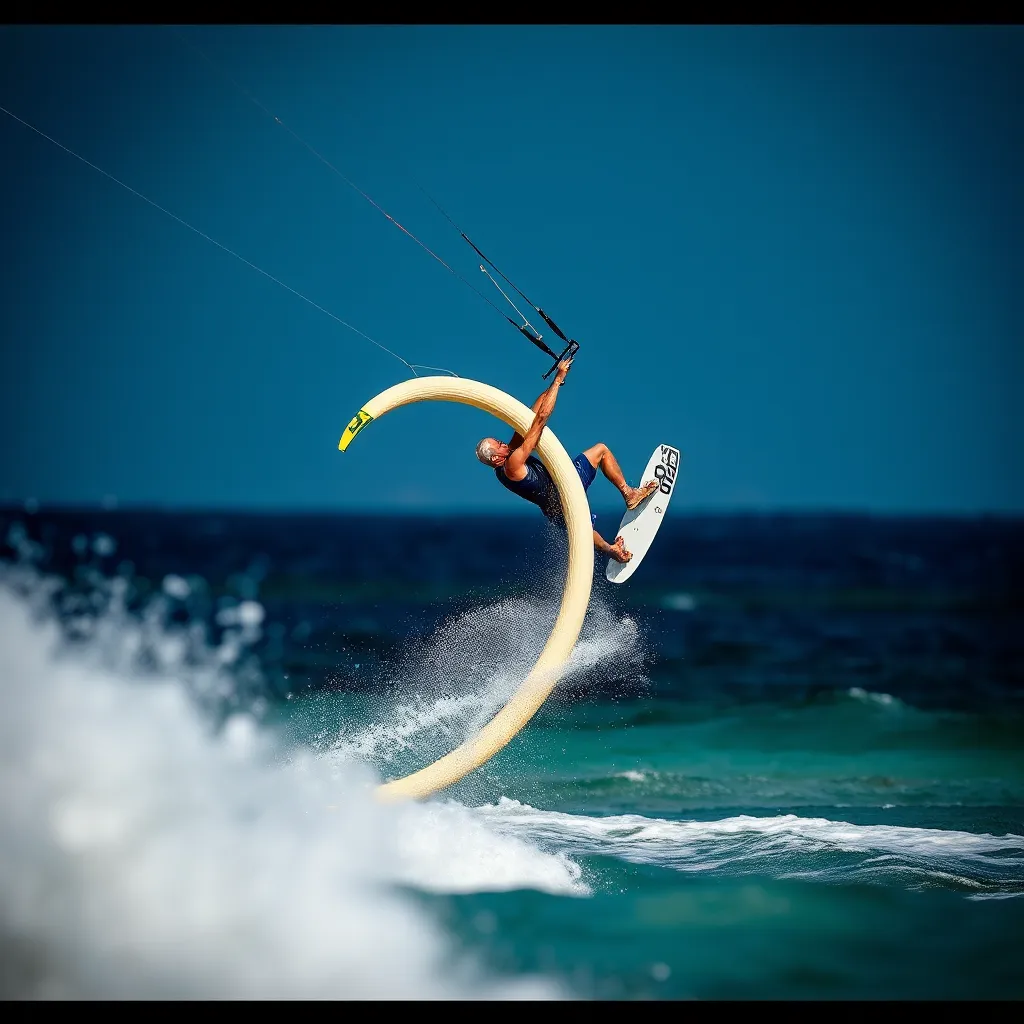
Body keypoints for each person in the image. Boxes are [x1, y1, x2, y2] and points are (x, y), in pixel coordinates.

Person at [475, 358, 659, 563]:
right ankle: (611, 550)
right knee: (583, 528)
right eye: (499, 444)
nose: (503, 443)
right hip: (562, 498)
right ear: (495, 458)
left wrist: (555, 381)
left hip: (562, 481)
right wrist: (557, 380)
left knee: (600, 450)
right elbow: (540, 421)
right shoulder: (512, 464)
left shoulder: (507, 456)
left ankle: (629, 494)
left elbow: (530, 416)